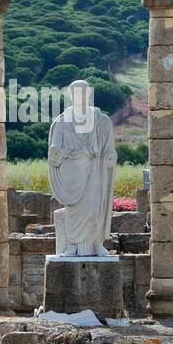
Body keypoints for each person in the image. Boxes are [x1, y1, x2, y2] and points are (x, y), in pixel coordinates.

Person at [47, 80, 117, 256]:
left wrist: (109, 155)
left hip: (95, 171)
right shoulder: (62, 122)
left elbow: (109, 146)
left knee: (94, 209)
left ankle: (96, 243)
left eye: (83, 92)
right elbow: (55, 152)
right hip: (73, 174)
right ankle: (72, 245)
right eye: (76, 92)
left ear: (88, 94)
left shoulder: (101, 120)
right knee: (73, 210)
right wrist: (76, 152)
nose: (80, 95)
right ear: (71, 95)